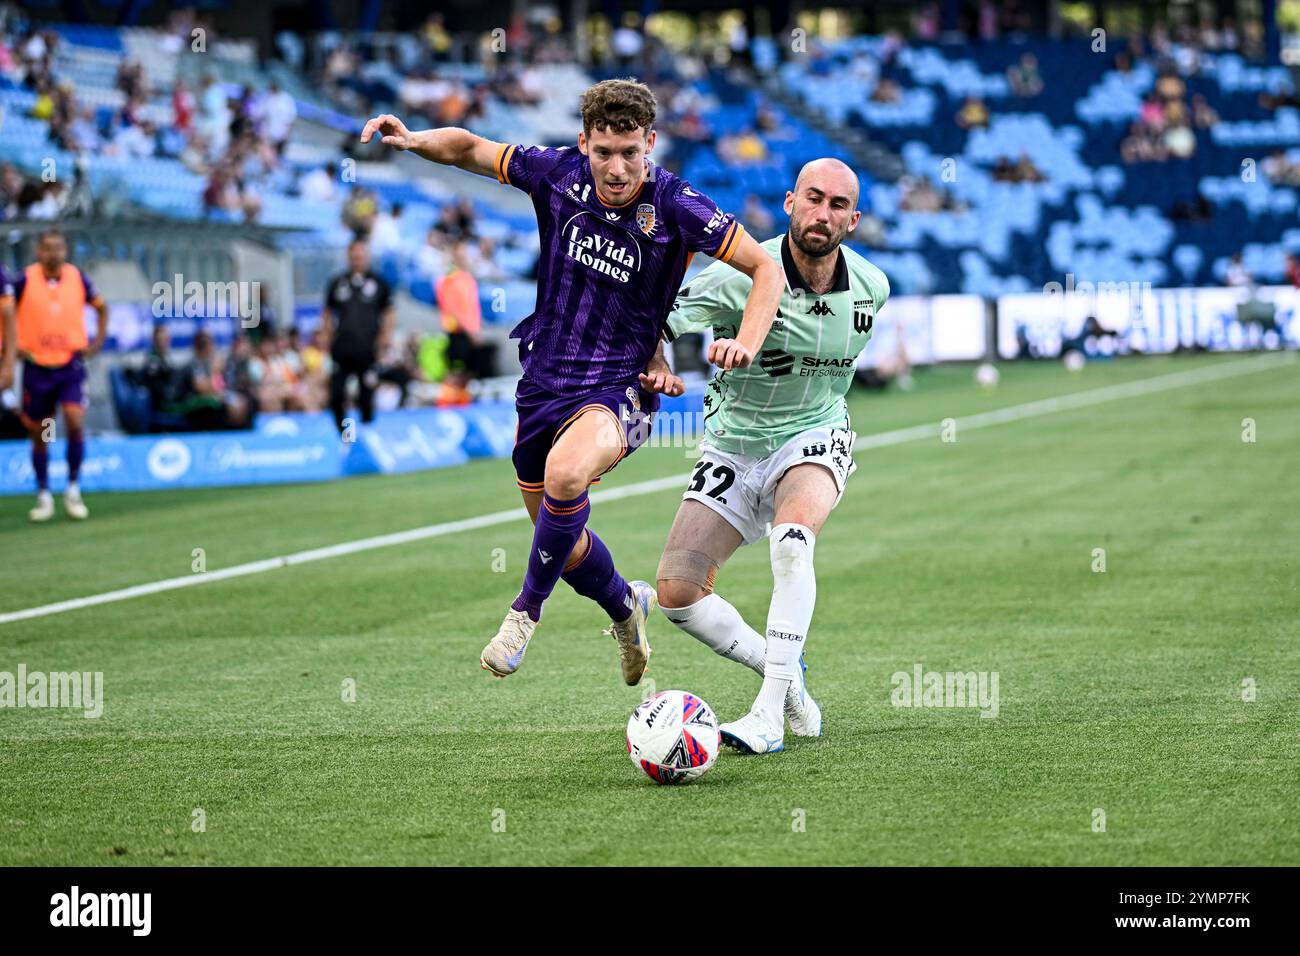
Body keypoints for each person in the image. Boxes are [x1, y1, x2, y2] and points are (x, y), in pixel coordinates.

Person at [360, 77, 782, 684]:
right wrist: (414, 138)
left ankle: (522, 615)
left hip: (620, 388)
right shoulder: (555, 173)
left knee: (564, 476)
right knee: (559, 531)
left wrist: (745, 340)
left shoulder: (677, 206)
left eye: (630, 152)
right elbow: (469, 149)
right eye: (604, 152)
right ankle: (623, 606)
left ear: (651, 144)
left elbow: (763, 266)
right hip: (543, 381)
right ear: (583, 143)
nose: (616, 168)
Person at [655, 159, 890, 755]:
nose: (824, 213)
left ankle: (767, 718)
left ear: (854, 220)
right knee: (677, 594)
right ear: (790, 203)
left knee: (793, 541)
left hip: (815, 434)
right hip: (733, 445)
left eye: (839, 205)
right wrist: (657, 361)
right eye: (814, 198)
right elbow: (656, 318)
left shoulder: (872, 288)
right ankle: (785, 680)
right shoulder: (738, 273)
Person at [13, 230, 108, 521]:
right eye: (47, 248)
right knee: (41, 432)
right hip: (36, 366)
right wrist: (10, 346)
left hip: (70, 365)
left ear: (65, 250)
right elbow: (5, 312)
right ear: (38, 251)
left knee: (74, 420)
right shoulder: (24, 280)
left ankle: (73, 488)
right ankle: (43, 495)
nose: (53, 253)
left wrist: (97, 342)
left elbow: (102, 308)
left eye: (58, 247)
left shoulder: (78, 278)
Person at [321, 239, 394, 431]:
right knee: (337, 395)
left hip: (367, 348)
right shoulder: (338, 283)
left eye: (361, 256)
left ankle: (366, 434)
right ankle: (345, 434)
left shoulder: (379, 283)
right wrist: (327, 336)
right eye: (354, 256)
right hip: (342, 348)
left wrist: (384, 339)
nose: (357, 260)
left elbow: (388, 313)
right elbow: (328, 312)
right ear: (348, 257)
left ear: (367, 257)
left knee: (365, 394)